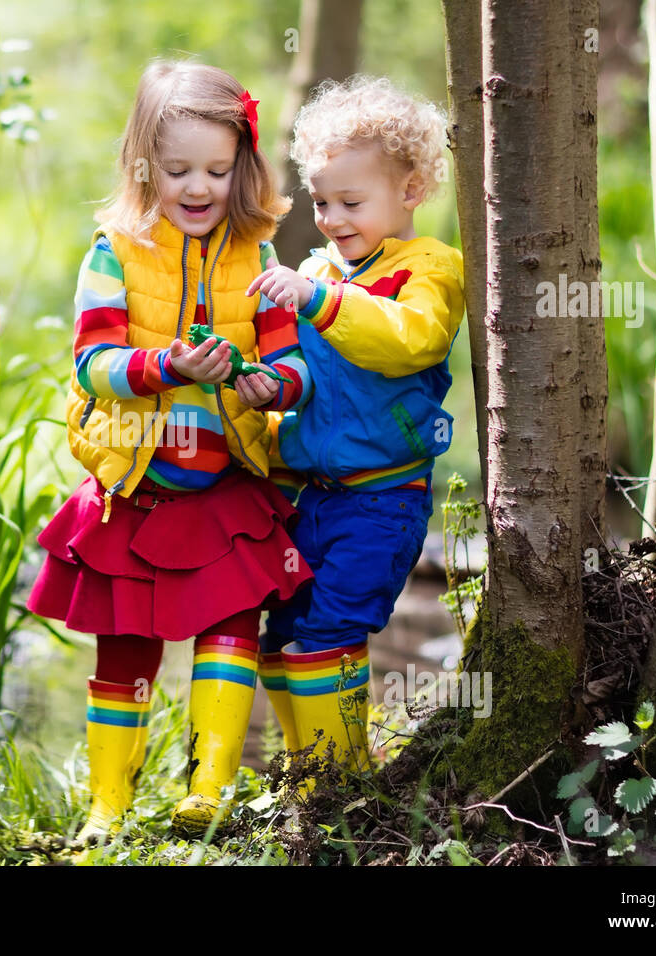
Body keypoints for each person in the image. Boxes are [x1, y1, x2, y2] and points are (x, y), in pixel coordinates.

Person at [26, 60, 314, 843]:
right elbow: (93, 365)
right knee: (125, 645)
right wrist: (168, 368)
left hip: (225, 487)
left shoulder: (257, 258)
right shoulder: (114, 252)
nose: (199, 187)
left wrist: (269, 387)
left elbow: (291, 365)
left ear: (243, 167)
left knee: (232, 626)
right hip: (135, 482)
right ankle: (107, 806)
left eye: (218, 171)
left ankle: (208, 789)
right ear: (144, 165)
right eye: (179, 170)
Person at [247, 74, 466, 781]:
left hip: (382, 498)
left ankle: (335, 781)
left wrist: (318, 298)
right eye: (321, 203)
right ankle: (307, 767)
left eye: (351, 202)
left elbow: (410, 342)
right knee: (283, 631)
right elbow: (305, 371)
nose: (332, 218)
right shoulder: (318, 269)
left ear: (410, 190)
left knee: (331, 628)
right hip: (307, 494)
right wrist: (270, 388)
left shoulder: (428, 268)